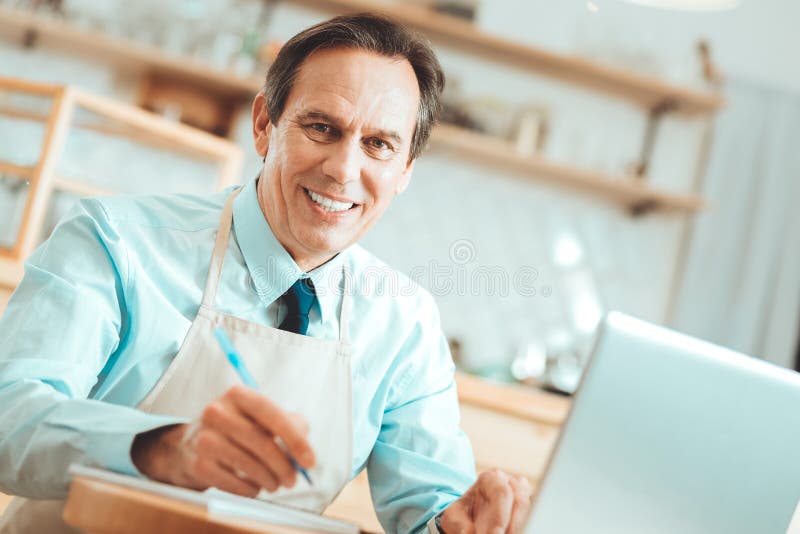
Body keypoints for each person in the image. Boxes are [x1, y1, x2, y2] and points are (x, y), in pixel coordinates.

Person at [0, 13, 532, 534]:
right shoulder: (116, 240)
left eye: (378, 144)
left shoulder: (404, 323)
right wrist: (158, 446)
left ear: (405, 172)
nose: (344, 170)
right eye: (322, 128)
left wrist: (463, 524)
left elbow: (429, 509)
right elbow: (10, 415)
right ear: (264, 125)